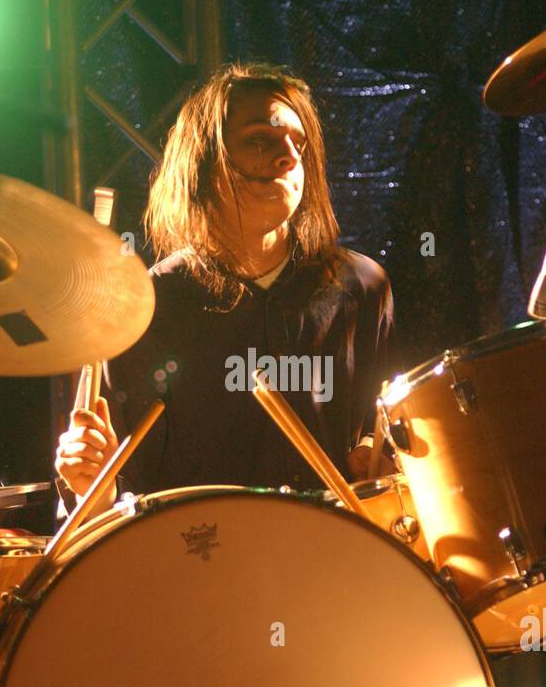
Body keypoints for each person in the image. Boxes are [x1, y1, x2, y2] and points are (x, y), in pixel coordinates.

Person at [54, 62, 395, 508]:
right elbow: (112, 502)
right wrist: (88, 484)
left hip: (334, 560)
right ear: (203, 161)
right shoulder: (144, 307)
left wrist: (380, 453)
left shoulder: (360, 287)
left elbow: (388, 429)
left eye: (299, 144)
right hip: (196, 561)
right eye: (260, 140)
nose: (289, 158)